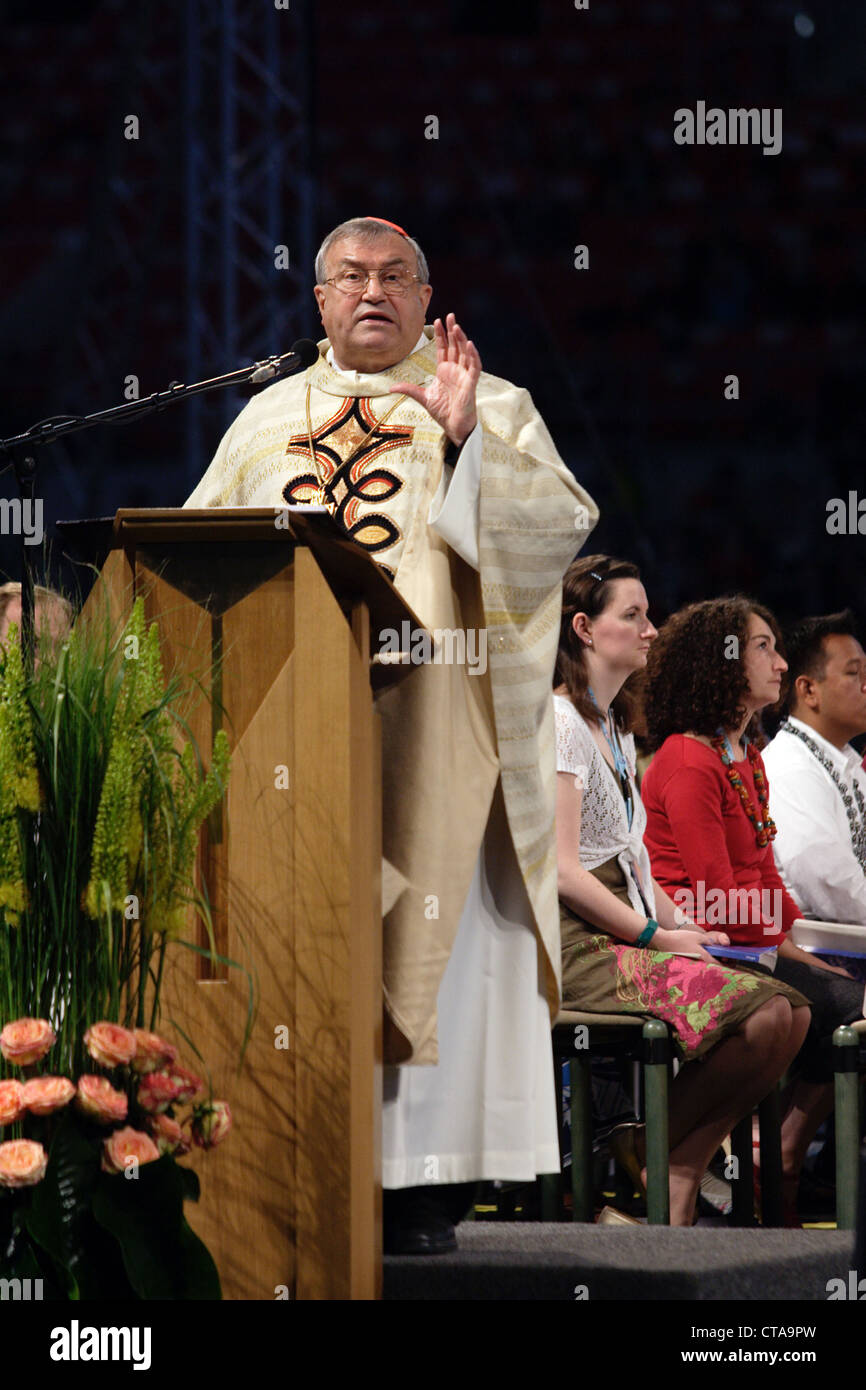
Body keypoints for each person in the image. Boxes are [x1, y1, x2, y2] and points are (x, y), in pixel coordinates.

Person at [185, 216, 599, 1251]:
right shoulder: (262, 418)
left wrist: (465, 441)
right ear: (317, 301)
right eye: (350, 277)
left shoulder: (490, 402)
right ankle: (291, 1158)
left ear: (425, 298)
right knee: (301, 946)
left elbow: (553, 534)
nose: (373, 291)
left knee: (436, 944)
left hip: (435, 729)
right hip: (287, 732)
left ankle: (417, 1187)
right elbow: (191, 557)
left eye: (395, 276)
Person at [554, 556, 809, 1226]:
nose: (650, 629)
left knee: (794, 1014)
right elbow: (561, 870)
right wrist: (656, 936)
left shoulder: (613, 728)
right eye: (631, 615)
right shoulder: (558, 723)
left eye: (648, 613)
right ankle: (663, 1167)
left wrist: (687, 927)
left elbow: (636, 863)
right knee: (761, 1016)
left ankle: (674, 1175)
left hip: (629, 935)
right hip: (579, 949)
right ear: (583, 628)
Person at [640, 595, 865, 1216]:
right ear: (723, 663)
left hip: (747, 940)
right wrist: (778, 927)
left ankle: (718, 1160)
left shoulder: (742, 757)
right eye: (762, 646)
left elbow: (766, 883)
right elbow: (714, 894)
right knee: (833, 1003)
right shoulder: (689, 759)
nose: (778, 660)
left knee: (833, 994)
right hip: (702, 944)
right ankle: (697, 1154)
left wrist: (786, 935)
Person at [762, 610, 866, 926]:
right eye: (854, 674)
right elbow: (832, 887)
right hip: (822, 952)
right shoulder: (790, 766)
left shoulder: (843, 759)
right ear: (808, 690)